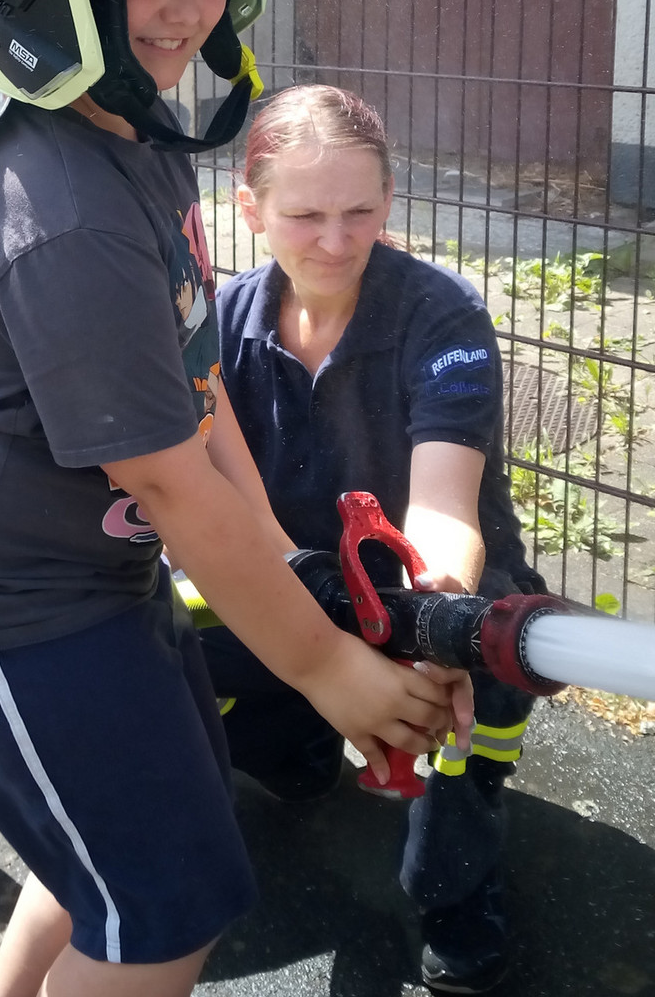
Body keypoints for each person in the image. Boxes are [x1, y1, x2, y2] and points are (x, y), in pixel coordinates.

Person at [0, 0, 471, 997]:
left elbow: (196, 390)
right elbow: (172, 479)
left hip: (91, 573)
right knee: (164, 903)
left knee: (117, 860)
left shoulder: (117, 129)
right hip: (4, 607)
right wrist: (326, 667)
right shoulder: (63, 210)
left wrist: (297, 570)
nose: (191, 8)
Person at [199, 83, 542, 995]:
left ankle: (455, 882)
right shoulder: (224, 322)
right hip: (298, 583)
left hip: (418, 588)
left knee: (475, 683)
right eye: (304, 216)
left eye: (360, 211)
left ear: (390, 198)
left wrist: (435, 628)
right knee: (174, 652)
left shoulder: (442, 314)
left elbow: (444, 511)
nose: (336, 241)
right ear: (250, 209)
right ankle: (296, 735)